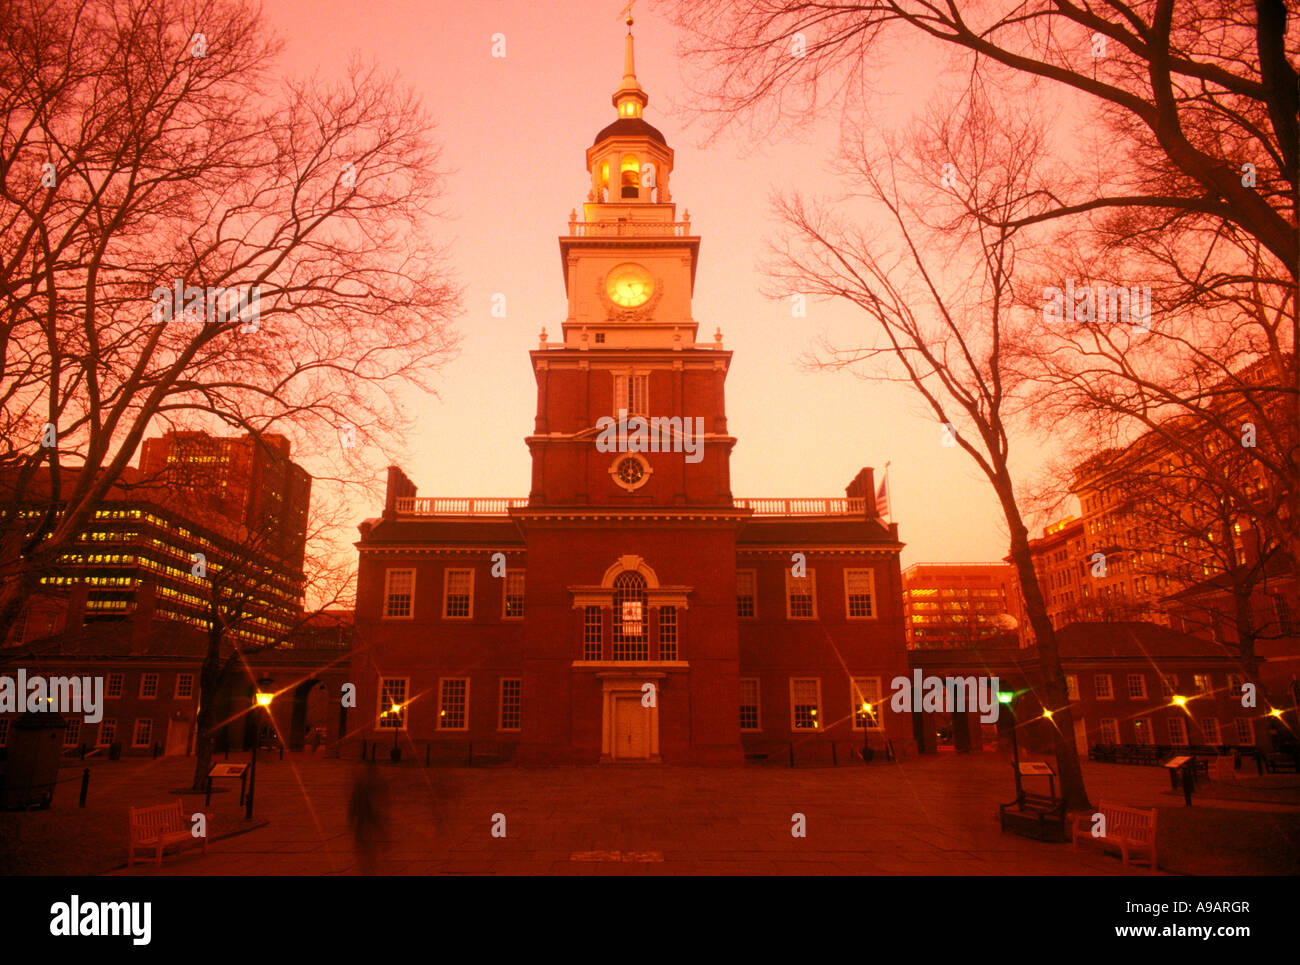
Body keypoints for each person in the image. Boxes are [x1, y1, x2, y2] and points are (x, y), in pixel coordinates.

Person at [348, 759, 388, 874]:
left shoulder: (364, 782)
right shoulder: (365, 782)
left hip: (366, 812)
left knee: (363, 834)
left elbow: (354, 800)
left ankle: (367, 859)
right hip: (365, 812)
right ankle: (367, 860)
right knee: (364, 834)